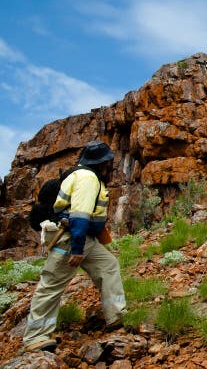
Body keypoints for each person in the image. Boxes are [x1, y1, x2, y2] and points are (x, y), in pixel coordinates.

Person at [22, 141, 127, 353]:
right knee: (51, 285)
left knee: (108, 266)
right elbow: (80, 214)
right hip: (71, 239)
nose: (111, 167)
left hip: (85, 239)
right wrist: (77, 249)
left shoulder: (85, 176)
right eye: (108, 162)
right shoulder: (88, 178)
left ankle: (116, 315)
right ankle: (35, 338)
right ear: (101, 163)